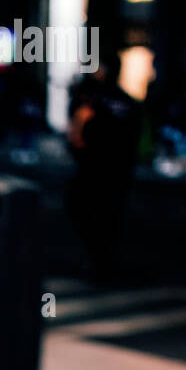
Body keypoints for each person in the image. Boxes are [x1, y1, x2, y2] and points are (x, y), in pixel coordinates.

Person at [66, 57, 142, 283]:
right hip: (116, 172)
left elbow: (75, 137)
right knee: (108, 220)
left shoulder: (90, 102)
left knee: (91, 217)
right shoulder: (128, 103)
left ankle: (97, 263)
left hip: (93, 170)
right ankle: (103, 263)